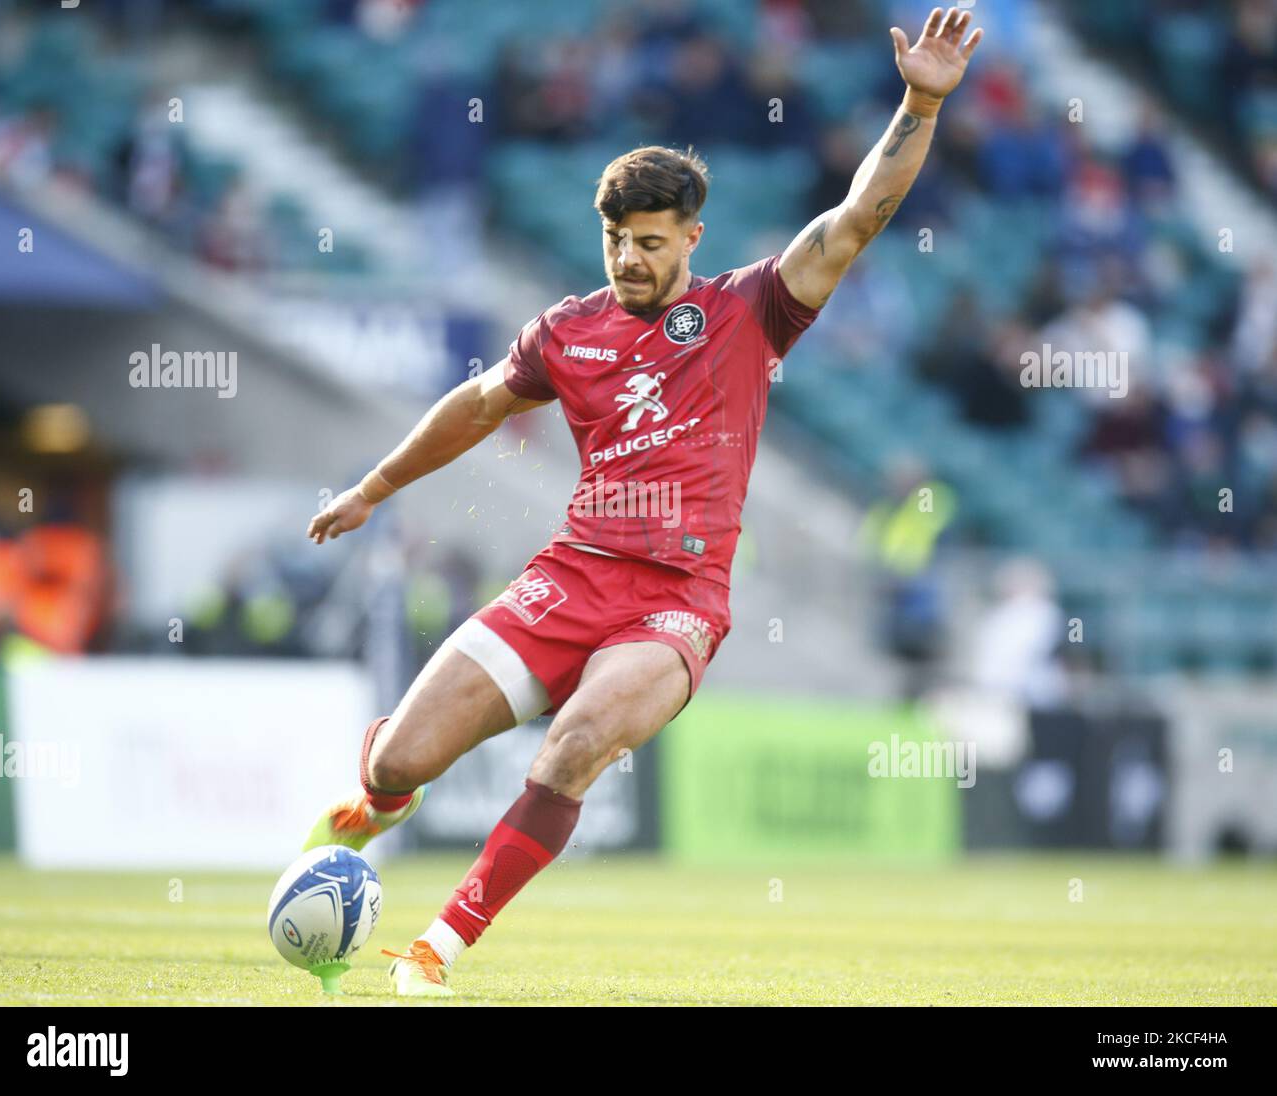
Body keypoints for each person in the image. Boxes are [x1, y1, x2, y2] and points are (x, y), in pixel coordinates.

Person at [302, 7, 984, 997]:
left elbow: (856, 217)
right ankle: (371, 810)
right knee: (400, 761)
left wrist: (920, 99)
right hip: (569, 576)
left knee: (575, 743)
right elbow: (476, 405)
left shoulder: (751, 310)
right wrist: (373, 487)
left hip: (675, 601)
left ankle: (434, 951)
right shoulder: (564, 333)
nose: (630, 259)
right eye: (618, 240)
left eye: (651, 242)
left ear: (691, 239)